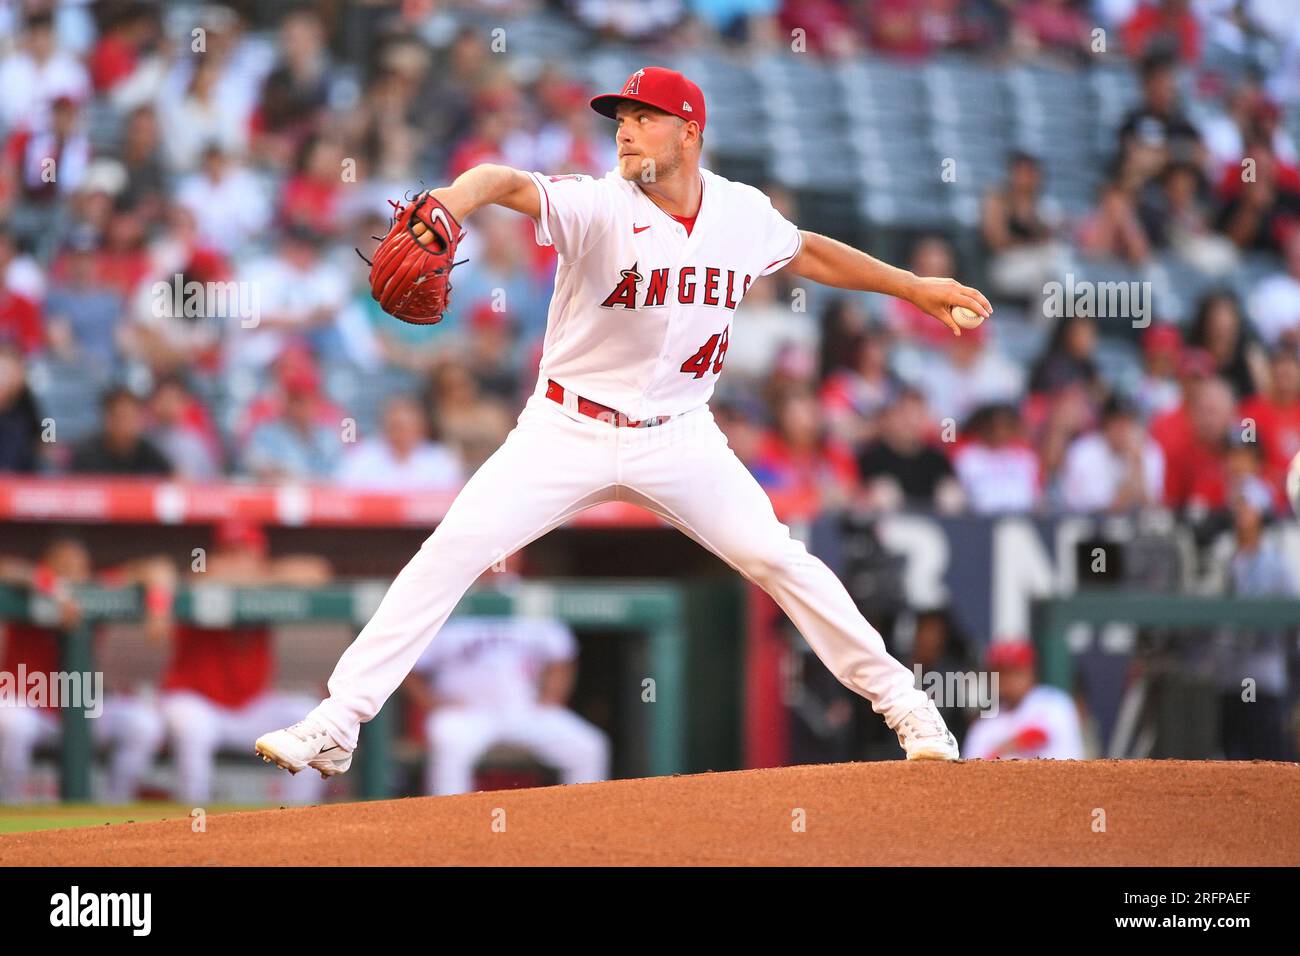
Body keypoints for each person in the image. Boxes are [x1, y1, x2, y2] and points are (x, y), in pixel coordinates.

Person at [256, 65, 992, 778]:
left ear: (689, 134)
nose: (627, 133)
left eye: (645, 119)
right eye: (621, 120)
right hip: (564, 430)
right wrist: (452, 200)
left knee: (776, 557)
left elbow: (812, 254)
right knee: (452, 551)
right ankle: (338, 722)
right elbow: (501, 181)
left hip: (679, 436)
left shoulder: (740, 213)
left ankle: (907, 706)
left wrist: (911, 285)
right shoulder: (597, 203)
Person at [160, 519, 332, 804]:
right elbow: (204, 574)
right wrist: (250, 574)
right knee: (192, 728)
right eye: (232, 551)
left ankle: (297, 820)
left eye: (247, 551)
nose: (240, 559)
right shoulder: (200, 570)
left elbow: (317, 571)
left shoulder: (265, 577)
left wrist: (260, 575)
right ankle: (190, 822)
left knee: (313, 720)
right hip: (196, 701)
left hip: (251, 706)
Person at [0, 537, 170, 802]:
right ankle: (8, 808)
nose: (72, 573)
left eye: (79, 567)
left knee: (143, 724)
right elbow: (7, 568)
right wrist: (53, 588)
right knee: (12, 721)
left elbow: (158, 568)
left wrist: (158, 608)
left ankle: (116, 809)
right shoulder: (31, 586)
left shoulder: (93, 589)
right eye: (63, 566)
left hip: (83, 708)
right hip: (31, 709)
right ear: (46, 566)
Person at [403, 611, 608, 796]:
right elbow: (408, 666)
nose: (496, 567)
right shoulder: (452, 604)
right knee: (448, 741)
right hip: (467, 714)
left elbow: (562, 657)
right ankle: (449, 825)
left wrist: (551, 697)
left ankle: (581, 822)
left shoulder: (528, 601)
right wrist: (434, 703)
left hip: (524, 710)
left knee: (588, 746)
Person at [963, 640, 1086, 760]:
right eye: (999, 672)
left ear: (1030, 672)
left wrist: (1001, 749)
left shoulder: (1054, 703)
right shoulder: (983, 724)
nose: (1006, 680)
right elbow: (970, 770)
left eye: (1014, 671)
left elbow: (1038, 735)